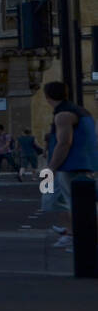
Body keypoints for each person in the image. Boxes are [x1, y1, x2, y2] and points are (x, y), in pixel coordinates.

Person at [44, 81, 98, 251]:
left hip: (71, 166)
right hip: (76, 165)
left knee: (77, 205)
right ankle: (71, 231)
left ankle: (80, 238)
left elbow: (64, 143)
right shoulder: (81, 112)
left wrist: (50, 168)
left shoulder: (63, 115)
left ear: (47, 96)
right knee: (51, 199)